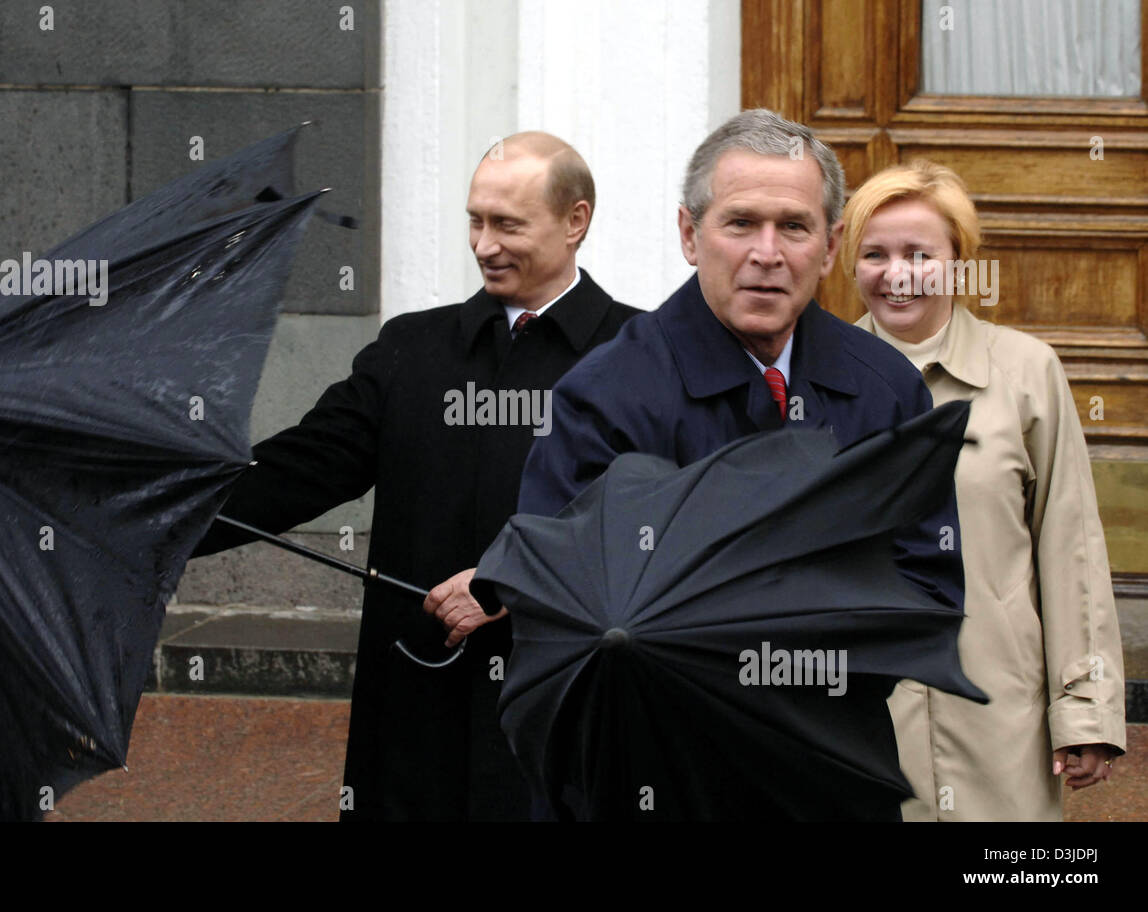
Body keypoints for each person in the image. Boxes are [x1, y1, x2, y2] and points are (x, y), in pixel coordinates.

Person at [515, 109, 965, 820]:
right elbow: (560, 611)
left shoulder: (885, 388)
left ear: (830, 246)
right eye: (740, 223)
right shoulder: (606, 395)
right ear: (690, 236)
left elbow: (928, 586)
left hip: (826, 774)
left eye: (793, 226)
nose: (767, 252)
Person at [192, 131, 639, 820]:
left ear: (575, 221)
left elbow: (654, 526)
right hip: (414, 718)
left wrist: (515, 583)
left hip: (566, 712)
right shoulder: (411, 348)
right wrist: (150, 507)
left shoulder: (639, 356)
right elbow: (298, 469)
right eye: (476, 220)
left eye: (508, 225)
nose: (485, 244)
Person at [842, 159, 1127, 821]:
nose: (897, 272)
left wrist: (1086, 707)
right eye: (875, 254)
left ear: (960, 261)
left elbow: (1070, 545)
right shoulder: (816, 379)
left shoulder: (1027, 371)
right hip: (861, 719)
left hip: (1000, 720)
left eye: (920, 253)